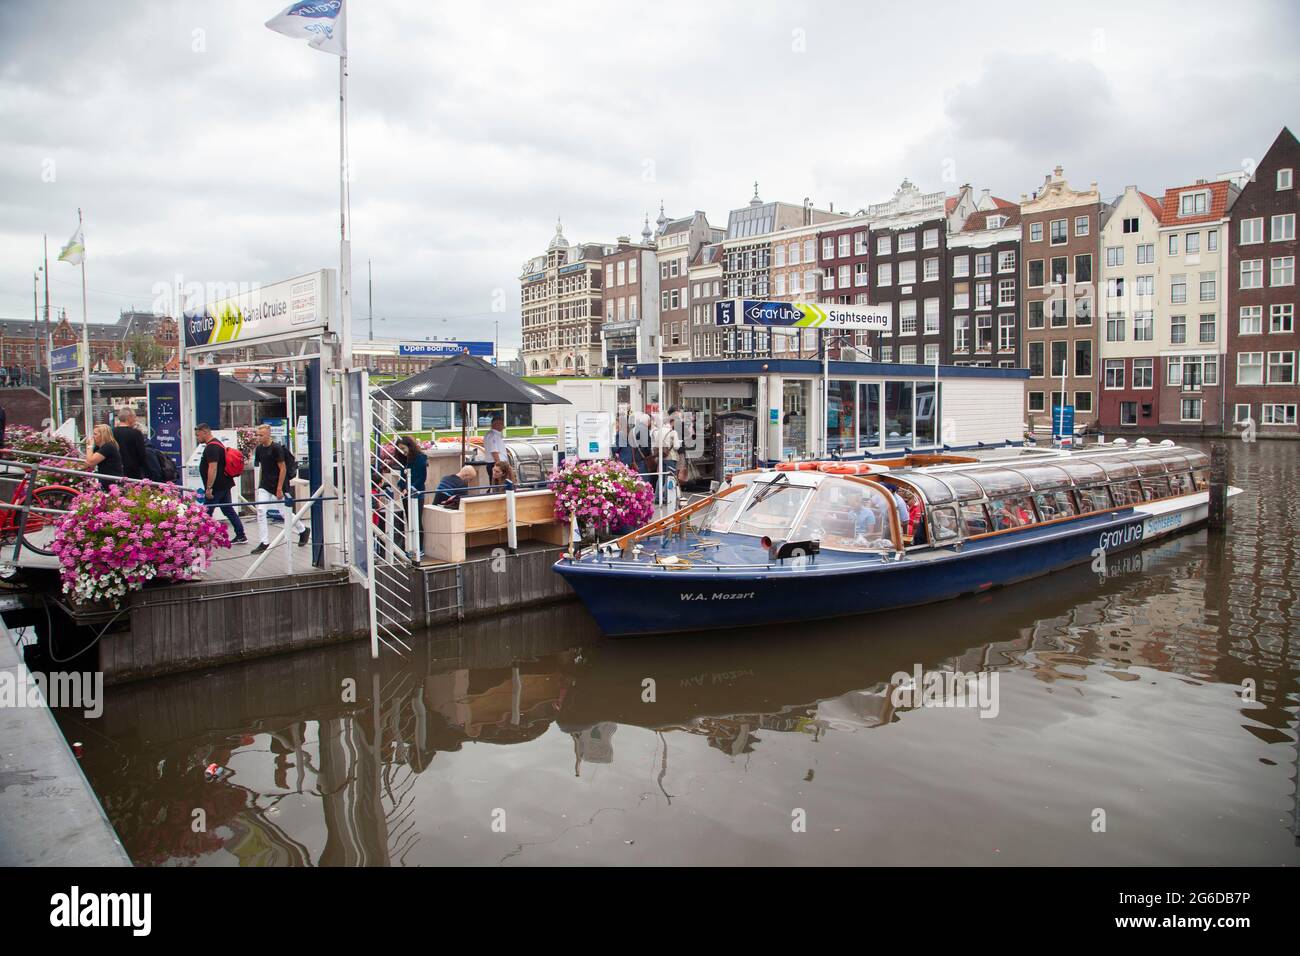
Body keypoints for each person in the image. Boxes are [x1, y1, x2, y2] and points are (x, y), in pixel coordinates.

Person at [251, 424, 308, 553]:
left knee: (284, 512)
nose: (259, 438)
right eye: (257, 435)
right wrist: (259, 485)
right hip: (265, 484)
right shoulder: (259, 449)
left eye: (261, 435)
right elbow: (261, 467)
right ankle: (264, 542)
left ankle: (303, 530)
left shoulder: (276, 448)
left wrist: (279, 488)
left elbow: (283, 468)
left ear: (268, 434)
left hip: (279, 484)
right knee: (260, 510)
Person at [195, 423, 247, 543]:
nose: (197, 438)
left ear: (205, 432)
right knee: (228, 509)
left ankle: (200, 537)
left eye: (198, 435)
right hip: (224, 483)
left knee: (206, 511)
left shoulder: (211, 447)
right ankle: (241, 534)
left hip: (216, 487)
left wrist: (209, 488)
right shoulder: (217, 444)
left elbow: (212, 468)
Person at [111, 405, 148, 480]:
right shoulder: (136, 433)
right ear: (129, 418)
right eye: (134, 417)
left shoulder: (111, 432)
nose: (135, 419)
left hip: (115, 471)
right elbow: (142, 455)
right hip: (133, 472)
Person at [85, 424, 124, 491]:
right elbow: (88, 461)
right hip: (105, 479)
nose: (93, 437)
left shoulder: (108, 447)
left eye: (95, 434)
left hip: (111, 482)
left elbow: (90, 462)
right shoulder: (100, 447)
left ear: (102, 435)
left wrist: (89, 446)